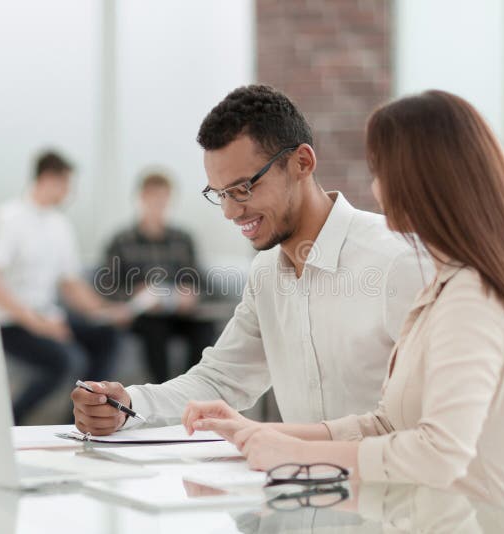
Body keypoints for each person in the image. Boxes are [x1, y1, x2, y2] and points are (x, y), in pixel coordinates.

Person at [181, 90, 504, 525]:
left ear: (429, 180)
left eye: (382, 171)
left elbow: (438, 453)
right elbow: (388, 425)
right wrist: (260, 434)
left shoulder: (470, 294)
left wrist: (292, 453)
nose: (375, 188)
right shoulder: (441, 287)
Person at [71, 85, 431, 435]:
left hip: (391, 490)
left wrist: (279, 443)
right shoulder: (266, 274)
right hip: (302, 485)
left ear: (301, 163)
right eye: (220, 194)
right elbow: (222, 378)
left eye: (244, 188)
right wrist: (128, 405)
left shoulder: (397, 261)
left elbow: (438, 424)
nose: (230, 211)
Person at [0, 150, 130, 424]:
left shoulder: (59, 225)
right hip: (10, 322)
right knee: (68, 359)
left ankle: (78, 423)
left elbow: (70, 283)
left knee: (107, 337)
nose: (68, 193)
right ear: (47, 178)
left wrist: (105, 310)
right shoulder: (8, 218)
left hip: (46, 315)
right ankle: (9, 422)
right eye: (66, 185)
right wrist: (35, 322)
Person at [100, 171, 215, 383]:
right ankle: (162, 390)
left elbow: (202, 283)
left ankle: (192, 388)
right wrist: (135, 294)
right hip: (145, 317)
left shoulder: (183, 239)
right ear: (141, 198)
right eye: (153, 198)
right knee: (155, 328)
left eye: (163, 199)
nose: (159, 205)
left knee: (204, 328)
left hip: (179, 313)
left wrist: (190, 294)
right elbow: (107, 287)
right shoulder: (121, 241)